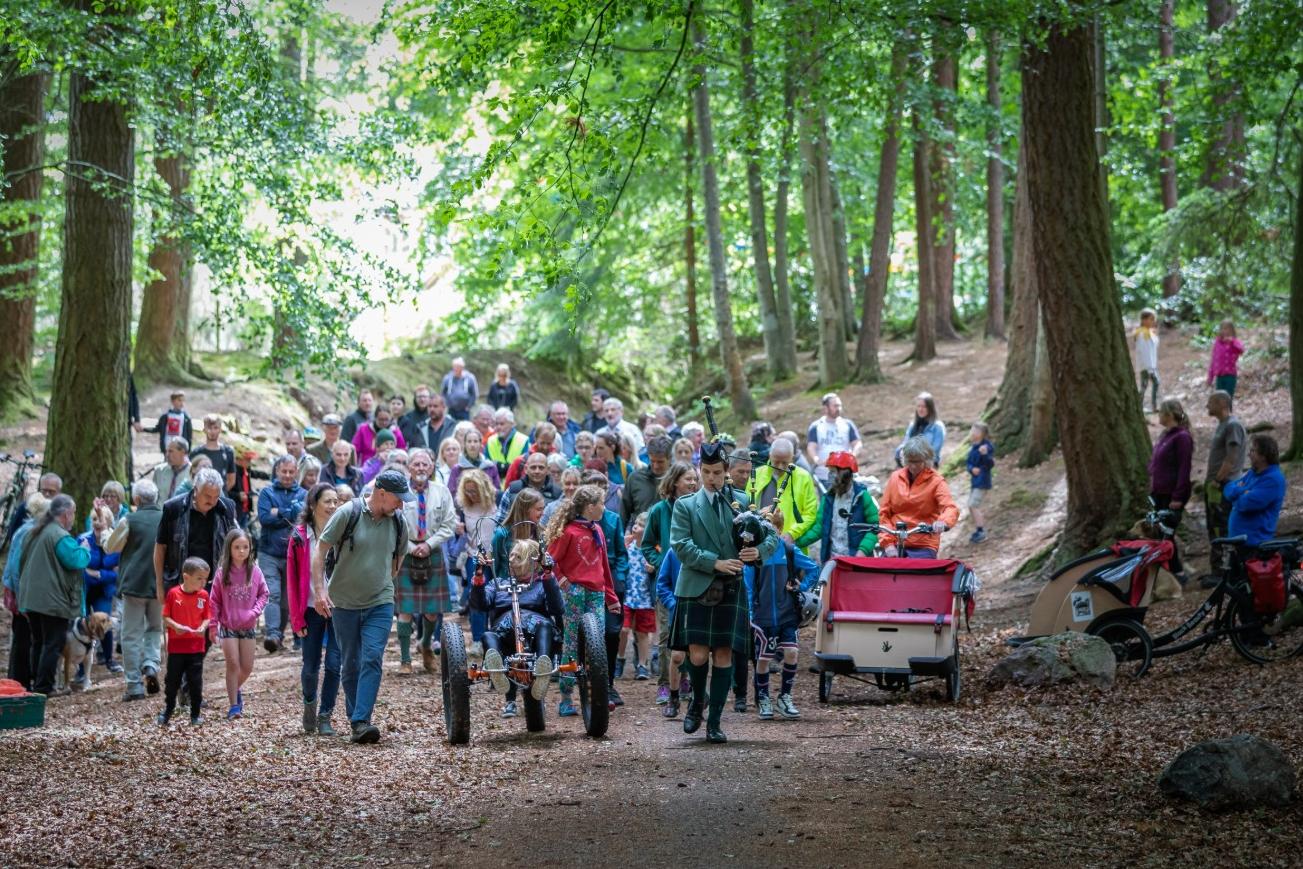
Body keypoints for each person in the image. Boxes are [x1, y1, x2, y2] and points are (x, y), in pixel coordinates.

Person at [669, 440, 778, 743]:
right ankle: (696, 703)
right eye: (706, 472)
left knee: (725, 653)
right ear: (699, 471)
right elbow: (680, 545)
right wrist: (714, 562)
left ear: (726, 471)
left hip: (730, 589)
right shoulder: (686, 505)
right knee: (698, 653)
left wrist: (758, 552)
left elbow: (772, 536)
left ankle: (715, 721)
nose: (712, 478)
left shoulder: (742, 502)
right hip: (697, 586)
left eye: (717, 472)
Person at [311, 470, 412, 744]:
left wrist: (380, 585)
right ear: (381, 493)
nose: (401, 505)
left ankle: (361, 720)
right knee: (351, 663)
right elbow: (320, 551)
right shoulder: (348, 512)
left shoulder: (400, 522)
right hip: (343, 603)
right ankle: (358, 720)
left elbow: (397, 561)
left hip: (380, 601)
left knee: (372, 658)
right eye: (398, 499)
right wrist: (320, 592)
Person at [546, 485, 620, 718]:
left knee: (596, 643)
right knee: (572, 642)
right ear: (590, 507)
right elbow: (549, 560)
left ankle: (598, 693)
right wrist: (562, 580)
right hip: (575, 593)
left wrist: (611, 596)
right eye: (600, 503)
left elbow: (603, 566)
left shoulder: (596, 529)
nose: (603, 507)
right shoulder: (568, 532)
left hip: (596, 593)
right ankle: (566, 697)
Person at [475, 538, 563, 718]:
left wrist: (548, 576)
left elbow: (557, 608)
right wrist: (478, 575)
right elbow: (480, 604)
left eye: (517, 555)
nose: (511, 559)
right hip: (505, 632)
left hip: (536, 632)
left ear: (531, 560)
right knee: (488, 635)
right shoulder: (498, 584)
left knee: (545, 626)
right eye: (511, 554)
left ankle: (543, 668)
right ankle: (498, 670)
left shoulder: (541, 584)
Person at [747, 510, 819, 721]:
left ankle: (785, 697)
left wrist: (801, 586)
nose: (768, 534)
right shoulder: (755, 555)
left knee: (791, 653)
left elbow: (813, 569)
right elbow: (748, 586)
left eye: (772, 529)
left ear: (779, 529)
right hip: (763, 616)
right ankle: (763, 698)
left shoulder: (788, 550)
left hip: (788, 613)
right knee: (763, 660)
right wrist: (751, 613)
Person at [16, 495, 89, 696]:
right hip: (52, 601)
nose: (73, 517)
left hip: (32, 598)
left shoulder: (34, 532)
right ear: (66, 514)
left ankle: (36, 685)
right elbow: (76, 560)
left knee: (39, 642)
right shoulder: (59, 536)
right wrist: (84, 549)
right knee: (53, 643)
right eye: (73, 513)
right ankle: (44, 687)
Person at [640, 463, 698, 707]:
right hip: (667, 585)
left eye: (696, 479)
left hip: (695, 582)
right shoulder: (659, 511)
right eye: (688, 479)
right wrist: (661, 561)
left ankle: (684, 680)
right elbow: (646, 544)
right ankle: (664, 684)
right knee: (666, 635)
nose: (694, 484)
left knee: (691, 635)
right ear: (675, 482)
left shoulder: (699, 509)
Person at [396, 449, 458, 675]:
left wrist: (429, 544)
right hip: (406, 551)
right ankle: (405, 660)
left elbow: (449, 524)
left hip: (432, 551)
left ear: (432, 467)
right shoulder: (400, 493)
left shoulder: (442, 492)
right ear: (409, 467)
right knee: (405, 609)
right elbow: (394, 524)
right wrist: (412, 547)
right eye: (416, 464)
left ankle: (425, 644)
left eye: (425, 464)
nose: (421, 468)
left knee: (432, 612)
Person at [287, 483, 342, 736]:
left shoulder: (343, 532)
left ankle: (325, 716)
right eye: (327, 501)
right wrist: (296, 619)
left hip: (340, 608)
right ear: (313, 505)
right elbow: (291, 579)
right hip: (310, 608)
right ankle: (310, 704)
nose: (332, 506)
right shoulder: (299, 537)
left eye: (336, 501)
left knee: (334, 664)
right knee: (310, 666)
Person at [105, 481, 164, 701]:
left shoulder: (129, 519)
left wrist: (105, 531)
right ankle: (150, 663)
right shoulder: (166, 518)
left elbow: (111, 547)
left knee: (130, 636)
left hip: (134, 584)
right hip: (159, 583)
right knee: (154, 629)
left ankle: (134, 686)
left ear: (137, 500)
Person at [209, 528, 269, 720]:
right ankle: (234, 706)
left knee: (247, 667)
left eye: (245, 547)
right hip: (228, 627)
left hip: (248, 626)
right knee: (233, 664)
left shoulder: (255, 571)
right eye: (237, 547)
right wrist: (213, 625)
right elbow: (214, 601)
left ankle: (235, 689)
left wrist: (254, 612)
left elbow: (264, 594)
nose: (241, 551)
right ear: (229, 548)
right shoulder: (221, 573)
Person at [154, 468, 237, 600]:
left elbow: (235, 545)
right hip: (180, 582)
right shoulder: (173, 508)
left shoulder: (226, 509)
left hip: (214, 584)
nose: (212, 501)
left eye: (216, 497)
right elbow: (160, 547)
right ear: (195, 489)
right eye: (207, 496)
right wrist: (159, 585)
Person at [877, 437, 959, 558]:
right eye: (910, 461)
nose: (913, 466)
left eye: (918, 462)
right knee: (883, 573)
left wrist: (943, 522)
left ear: (927, 460)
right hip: (895, 540)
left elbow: (950, 507)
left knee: (918, 574)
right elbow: (884, 513)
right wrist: (888, 544)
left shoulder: (936, 482)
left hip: (923, 543)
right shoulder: (895, 478)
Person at [257, 455, 305, 652]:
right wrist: (288, 513)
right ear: (277, 471)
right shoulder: (267, 492)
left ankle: (288, 635)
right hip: (269, 552)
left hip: (293, 552)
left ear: (296, 473)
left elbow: (302, 519)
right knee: (273, 594)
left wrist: (278, 512)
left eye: (291, 472)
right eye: (283, 471)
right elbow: (265, 518)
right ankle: (273, 635)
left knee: (289, 596)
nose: (287, 475)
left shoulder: (303, 493)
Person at [1201, 390, 1248, 587]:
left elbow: (1232, 457)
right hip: (1216, 486)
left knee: (1221, 527)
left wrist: (1218, 479)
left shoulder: (1232, 425)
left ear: (1222, 403)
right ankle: (1218, 570)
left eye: (1210, 402)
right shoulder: (1223, 425)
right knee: (1214, 526)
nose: (1207, 406)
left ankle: (1224, 573)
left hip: (1223, 486)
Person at [797, 452, 879, 563]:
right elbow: (819, 527)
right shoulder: (828, 499)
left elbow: (874, 527)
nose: (829, 476)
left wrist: (862, 551)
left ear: (844, 474)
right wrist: (796, 542)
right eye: (829, 472)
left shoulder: (862, 497)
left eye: (833, 472)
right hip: (832, 560)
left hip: (859, 562)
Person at [3, 494, 50, 690]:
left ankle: (20, 680)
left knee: (23, 636)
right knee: (23, 638)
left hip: (20, 592)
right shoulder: (29, 532)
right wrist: (21, 598)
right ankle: (19, 683)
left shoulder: (26, 529)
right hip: (22, 594)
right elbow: (16, 568)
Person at [158, 557, 210, 727]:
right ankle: (168, 711)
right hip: (176, 648)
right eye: (199, 579)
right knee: (172, 681)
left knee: (196, 682)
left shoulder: (203, 595)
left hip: (196, 647)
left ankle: (195, 715)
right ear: (186, 577)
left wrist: (203, 627)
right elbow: (165, 617)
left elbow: (207, 617)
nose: (203, 583)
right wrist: (176, 626)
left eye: (205, 579)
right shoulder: (173, 594)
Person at [457, 469, 502, 656]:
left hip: (496, 556)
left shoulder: (497, 501)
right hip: (474, 555)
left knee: (497, 597)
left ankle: (497, 636)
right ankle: (478, 639)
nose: (471, 495)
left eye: (474, 491)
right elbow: (461, 532)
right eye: (468, 491)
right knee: (476, 598)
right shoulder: (463, 507)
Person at [1149, 398, 1194, 582]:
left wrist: (1177, 496)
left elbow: (1184, 468)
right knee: (1162, 534)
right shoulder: (1165, 436)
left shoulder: (1181, 437)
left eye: (1160, 412)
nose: (1158, 415)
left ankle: (1178, 574)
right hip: (1159, 493)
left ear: (1169, 415)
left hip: (1172, 494)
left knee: (1167, 534)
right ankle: (1172, 571)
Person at [746, 438, 819, 549]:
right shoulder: (756, 474)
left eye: (785, 463)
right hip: (758, 543)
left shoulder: (803, 477)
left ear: (792, 458)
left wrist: (793, 533)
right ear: (770, 456)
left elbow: (810, 513)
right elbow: (747, 507)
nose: (780, 467)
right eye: (776, 462)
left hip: (788, 544)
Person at [1223, 434, 1286, 548]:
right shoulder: (1253, 473)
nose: (1249, 454)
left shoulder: (1273, 480)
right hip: (1238, 542)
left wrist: (1236, 496)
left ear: (1263, 456)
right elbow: (1228, 488)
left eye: (1253, 451)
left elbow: (1245, 504)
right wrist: (1243, 491)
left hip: (1255, 546)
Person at [79, 501, 121, 673]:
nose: (96, 522)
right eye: (93, 519)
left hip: (104, 589)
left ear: (108, 522)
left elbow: (118, 571)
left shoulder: (115, 543)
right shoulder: (83, 539)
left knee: (105, 621)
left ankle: (109, 659)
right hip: (85, 588)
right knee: (82, 622)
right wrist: (91, 572)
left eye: (100, 519)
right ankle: (81, 667)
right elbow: (79, 566)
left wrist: (99, 574)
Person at [618, 512, 656, 683]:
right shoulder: (627, 545)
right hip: (627, 596)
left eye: (640, 525)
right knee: (623, 630)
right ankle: (619, 659)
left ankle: (642, 665)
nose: (635, 527)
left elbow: (660, 566)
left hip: (645, 598)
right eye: (635, 524)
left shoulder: (653, 550)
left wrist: (653, 568)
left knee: (642, 633)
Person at [806, 393, 863, 483]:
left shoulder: (847, 424)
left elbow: (857, 443)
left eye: (840, 406)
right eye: (835, 406)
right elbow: (811, 446)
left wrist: (853, 455)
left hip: (845, 473)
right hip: (824, 475)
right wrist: (816, 460)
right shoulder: (816, 426)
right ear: (825, 408)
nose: (838, 408)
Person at [2, 472, 62, 555]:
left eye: (51, 492)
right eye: (44, 490)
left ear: (59, 492)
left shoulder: (63, 511)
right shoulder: (26, 507)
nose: (47, 494)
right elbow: (13, 532)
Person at [496, 451, 561, 522]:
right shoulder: (513, 489)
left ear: (548, 470)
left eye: (541, 468)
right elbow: (501, 519)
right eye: (533, 467)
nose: (537, 471)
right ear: (526, 469)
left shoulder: (557, 493)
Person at [621, 435, 671, 525]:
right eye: (652, 461)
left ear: (669, 459)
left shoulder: (677, 479)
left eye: (660, 462)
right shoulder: (635, 478)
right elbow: (624, 513)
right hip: (640, 534)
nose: (656, 466)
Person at [894, 393, 946, 469]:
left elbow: (934, 452)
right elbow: (905, 443)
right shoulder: (913, 425)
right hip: (908, 465)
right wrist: (901, 450)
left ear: (930, 408)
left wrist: (916, 457)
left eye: (924, 407)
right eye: (919, 406)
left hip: (928, 467)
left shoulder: (938, 427)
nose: (920, 409)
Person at [447, 428, 501, 495]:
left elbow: (497, 491)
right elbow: (451, 494)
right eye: (469, 441)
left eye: (475, 441)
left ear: (481, 443)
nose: (472, 445)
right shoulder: (457, 468)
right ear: (464, 444)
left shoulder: (490, 466)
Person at [965, 423, 995, 544]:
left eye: (976, 431)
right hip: (974, 482)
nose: (973, 433)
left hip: (982, 481)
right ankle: (978, 529)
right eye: (972, 430)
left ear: (983, 434)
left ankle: (981, 531)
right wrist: (971, 469)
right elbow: (968, 463)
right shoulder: (972, 447)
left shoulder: (987, 446)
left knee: (973, 505)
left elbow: (990, 464)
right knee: (971, 505)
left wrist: (985, 455)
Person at [503, 422, 558, 487]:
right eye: (542, 443)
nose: (545, 447)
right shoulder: (520, 461)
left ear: (553, 441)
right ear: (536, 439)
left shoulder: (558, 462)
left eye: (548, 443)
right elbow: (509, 488)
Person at [190, 414, 236, 491]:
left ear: (220, 429)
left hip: (221, 497)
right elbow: (190, 476)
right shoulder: (196, 452)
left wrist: (219, 493)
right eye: (209, 428)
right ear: (204, 429)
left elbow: (231, 480)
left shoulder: (228, 452)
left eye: (215, 428)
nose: (212, 431)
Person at [143, 390, 193, 455]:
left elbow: (189, 435)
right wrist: (143, 429)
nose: (182, 403)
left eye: (183, 401)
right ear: (173, 401)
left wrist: (188, 450)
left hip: (180, 449)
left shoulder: (186, 418)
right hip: (167, 447)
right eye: (179, 400)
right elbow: (157, 428)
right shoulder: (165, 417)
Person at [1207, 318, 1245, 398]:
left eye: (1228, 329)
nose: (1225, 331)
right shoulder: (1218, 343)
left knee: (1228, 398)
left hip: (1230, 375)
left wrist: (1232, 342)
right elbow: (1214, 360)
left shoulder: (1235, 342)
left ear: (1232, 330)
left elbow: (1241, 350)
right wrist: (1210, 376)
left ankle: (1228, 410)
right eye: (1223, 328)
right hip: (1219, 376)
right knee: (1219, 399)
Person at [486, 408, 530, 478]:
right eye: (496, 424)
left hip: (516, 486)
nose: (498, 427)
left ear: (512, 424)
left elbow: (524, 468)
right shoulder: (490, 441)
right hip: (495, 486)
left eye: (502, 424)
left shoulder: (524, 440)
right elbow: (487, 467)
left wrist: (500, 466)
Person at [1133, 308, 1161, 413]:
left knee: (1153, 383)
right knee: (1145, 385)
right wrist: (1149, 366)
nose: (1153, 321)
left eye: (1154, 319)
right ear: (1144, 320)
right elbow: (1144, 351)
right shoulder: (1142, 334)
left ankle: (1152, 405)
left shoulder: (1149, 333)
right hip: (1146, 365)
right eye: (1151, 319)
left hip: (1150, 365)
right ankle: (1141, 405)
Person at [441, 357, 479, 422]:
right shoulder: (447, 378)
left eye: (458, 367)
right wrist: (446, 403)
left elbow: (474, 394)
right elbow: (443, 393)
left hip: (465, 410)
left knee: (465, 428)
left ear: (462, 368)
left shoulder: (470, 378)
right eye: (454, 367)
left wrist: (469, 406)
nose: (455, 369)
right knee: (451, 427)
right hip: (451, 410)